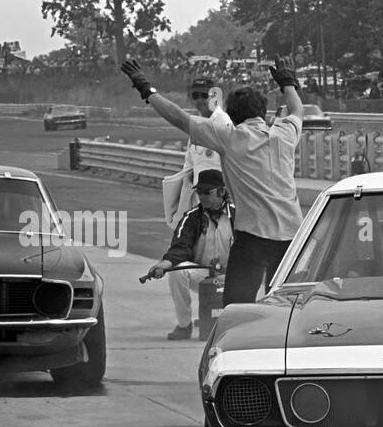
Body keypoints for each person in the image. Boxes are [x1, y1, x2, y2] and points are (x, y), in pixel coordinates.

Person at [120, 57, 303, 306]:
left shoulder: (229, 136)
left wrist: (145, 88)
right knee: (284, 307)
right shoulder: (285, 133)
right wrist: (287, 83)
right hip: (293, 236)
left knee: (235, 309)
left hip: (253, 238)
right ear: (263, 112)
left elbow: (179, 118)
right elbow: (297, 110)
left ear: (234, 116)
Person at [146, 169, 235, 340]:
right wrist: (164, 265)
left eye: (207, 192)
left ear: (222, 192)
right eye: (199, 192)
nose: (202, 196)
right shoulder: (191, 218)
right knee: (178, 271)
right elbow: (180, 246)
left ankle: (236, 324)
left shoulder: (238, 216)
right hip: (203, 275)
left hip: (232, 275)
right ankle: (184, 325)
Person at [162, 76, 228, 229]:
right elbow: (189, 166)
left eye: (204, 95)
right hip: (197, 201)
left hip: (219, 205)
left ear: (215, 96)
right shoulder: (197, 125)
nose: (199, 100)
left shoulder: (223, 124)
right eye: (195, 95)